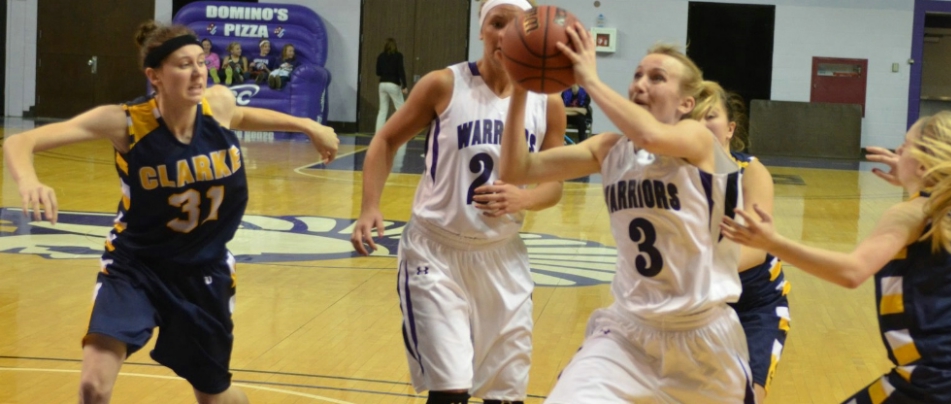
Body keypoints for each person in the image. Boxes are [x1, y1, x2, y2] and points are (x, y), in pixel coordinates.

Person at [3, 21, 339, 404]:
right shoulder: (127, 122)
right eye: (183, 65)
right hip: (136, 267)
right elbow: (20, 140)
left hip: (203, 272)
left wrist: (308, 125)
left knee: (215, 396)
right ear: (155, 76)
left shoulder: (218, 105)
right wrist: (29, 181)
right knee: (93, 386)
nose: (198, 72)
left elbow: (243, 116)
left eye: (200, 62)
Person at [499, 25, 752, 403]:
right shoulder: (608, 149)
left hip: (702, 340)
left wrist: (589, 80)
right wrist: (520, 89)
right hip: (627, 333)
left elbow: (651, 137)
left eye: (657, 77)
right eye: (636, 75)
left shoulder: (698, 141)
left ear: (686, 104)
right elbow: (517, 170)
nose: (640, 84)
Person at [349, 1, 565, 403]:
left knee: (506, 396)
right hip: (436, 253)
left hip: (502, 257)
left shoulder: (547, 101)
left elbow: (554, 187)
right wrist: (369, 206)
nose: (505, 34)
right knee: (451, 391)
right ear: (482, 31)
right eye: (496, 23)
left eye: (516, 26)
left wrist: (525, 197)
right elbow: (385, 139)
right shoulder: (444, 84)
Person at [722, 110, 951, 403]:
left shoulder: (910, 214)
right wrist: (913, 178)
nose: (898, 150)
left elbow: (852, 272)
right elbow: (933, 196)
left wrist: (772, 242)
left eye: (906, 145)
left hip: (934, 381)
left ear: (925, 163)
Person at [691, 81, 789, 403]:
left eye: (711, 117)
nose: (702, 126)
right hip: (697, 306)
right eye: (694, 118)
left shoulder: (751, 172)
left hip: (753, 305)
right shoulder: (673, 174)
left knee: (746, 396)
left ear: (730, 128)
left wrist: (686, 268)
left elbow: (755, 252)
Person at [375, 38, 408, 133]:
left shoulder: (380, 56)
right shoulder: (398, 56)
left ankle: (378, 134)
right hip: (393, 84)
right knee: (400, 109)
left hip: (382, 84)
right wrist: (404, 85)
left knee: (382, 111)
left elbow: (378, 72)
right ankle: (402, 131)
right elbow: (401, 71)